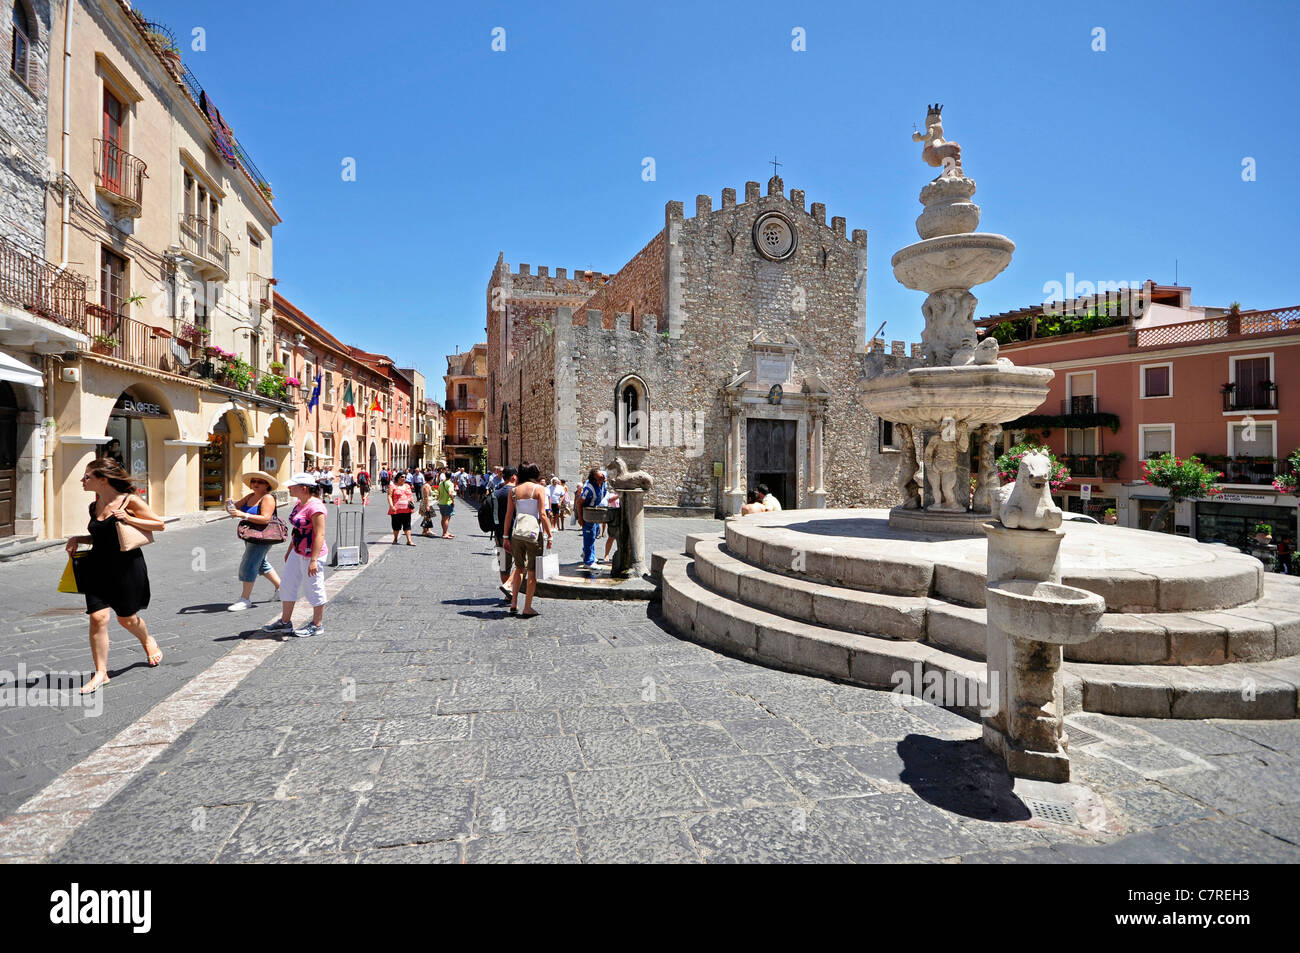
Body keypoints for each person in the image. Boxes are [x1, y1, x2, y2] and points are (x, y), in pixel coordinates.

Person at [65, 459, 166, 693]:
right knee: (98, 618)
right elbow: (102, 536)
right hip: (97, 568)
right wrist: (78, 539)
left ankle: (147, 640)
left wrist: (129, 518)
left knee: (126, 619)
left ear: (103, 479)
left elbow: (159, 524)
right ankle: (101, 673)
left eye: (87, 476)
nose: (83, 480)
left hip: (127, 567)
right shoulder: (95, 504)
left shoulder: (130, 501)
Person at [262, 473, 328, 638]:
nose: (289, 488)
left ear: (304, 488)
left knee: (313, 587)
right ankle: (285, 622)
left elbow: (319, 535)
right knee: (288, 585)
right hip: (297, 551)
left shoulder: (316, 507)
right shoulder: (300, 503)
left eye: (293, 486)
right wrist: (290, 549)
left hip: (312, 554)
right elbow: (297, 530)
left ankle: (317, 624)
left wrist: (313, 560)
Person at [224, 470, 283, 611]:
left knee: (248, 564)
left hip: (262, 536)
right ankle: (282, 588)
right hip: (251, 535)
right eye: (254, 481)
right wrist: (229, 506)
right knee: (262, 563)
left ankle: (245, 599)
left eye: (260, 482)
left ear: (267, 485)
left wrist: (243, 515)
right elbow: (234, 511)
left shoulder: (267, 498)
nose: (255, 484)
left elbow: (266, 518)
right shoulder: (251, 496)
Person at [503, 462, 553, 618]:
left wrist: (505, 537)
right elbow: (543, 514)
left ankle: (513, 603)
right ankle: (528, 607)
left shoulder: (514, 491)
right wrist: (549, 534)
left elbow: (508, 515)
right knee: (532, 572)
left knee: (518, 568)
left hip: (517, 534)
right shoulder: (539, 489)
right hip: (533, 534)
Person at [491, 467, 519, 598]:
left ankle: (508, 595)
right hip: (514, 533)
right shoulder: (515, 492)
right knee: (522, 563)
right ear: (514, 477)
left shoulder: (496, 492)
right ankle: (508, 585)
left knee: (504, 566)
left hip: (498, 534)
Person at [576, 467, 607, 569]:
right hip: (588, 513)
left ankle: (588, 554)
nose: (602, 478)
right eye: (599, 478)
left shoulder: (603, 482)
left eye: (602, 476)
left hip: (595, 513)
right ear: (594, 480)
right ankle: (588, 562)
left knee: (594, 535)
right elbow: (579, 502)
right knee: (589, 536)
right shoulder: (589, 488)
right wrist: (580, 518)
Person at [388, 469, 416, 545]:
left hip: (407, 509)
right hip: (396, 509)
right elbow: (389, 496)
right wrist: (391, 506)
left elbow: (410, 496)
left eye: (405, 477)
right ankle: (395, 538)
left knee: (407, 525)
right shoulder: (392, 486)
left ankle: (409, 540)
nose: (404, 478)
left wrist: (412, 504)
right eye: (402, 477)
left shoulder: (407, 486)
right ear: (398, 478)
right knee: (396, 525)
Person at [437, 469, 457, 538]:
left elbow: (438, 494)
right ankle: (445, 533)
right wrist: (453, 501)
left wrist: (438, 501)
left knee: (443, 518)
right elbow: (450, 493)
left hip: (441, 503)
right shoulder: (450, 483)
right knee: (446, 518)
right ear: (451, 476)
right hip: (447, 503)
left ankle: (445, 532)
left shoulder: (441, 483)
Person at [602, 487, 621, 563]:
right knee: (611, 537)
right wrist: (619, 495)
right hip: (614, 518)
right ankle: (606, 555)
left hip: (622, 517)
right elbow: (610, 500)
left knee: (622, 539)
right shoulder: (611, 495)